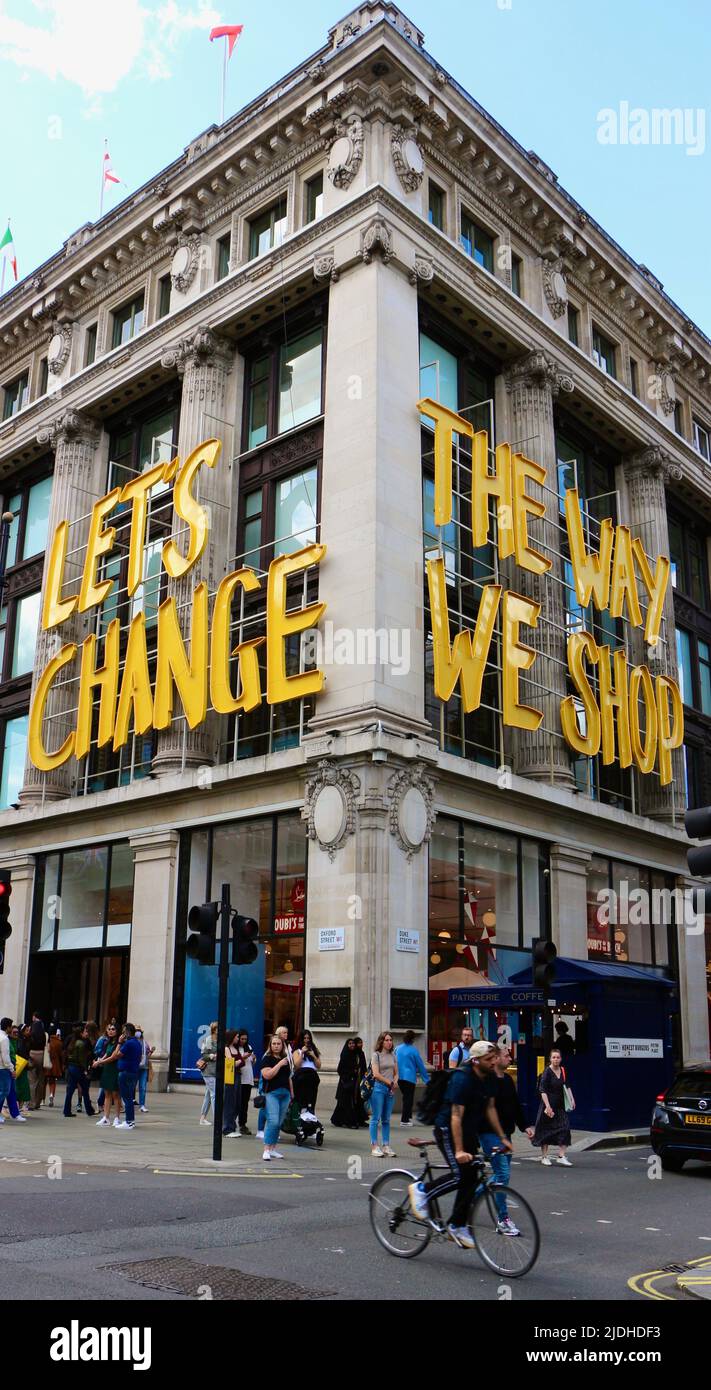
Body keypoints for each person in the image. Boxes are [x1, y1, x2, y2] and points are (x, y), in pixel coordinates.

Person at [408, 1041, 512, 1248]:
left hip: (469, 1130)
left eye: (495, 1058)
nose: (494, 1062)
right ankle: (422, 1190)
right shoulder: (462, 1079)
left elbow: (490, 1108)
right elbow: (456, 1116)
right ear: (476, 1061)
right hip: (447, 1128)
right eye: (488, 1059)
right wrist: (459, 1151)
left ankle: (456, 1225)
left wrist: (503, 1137)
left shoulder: (489, 1078)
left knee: (472, 1178)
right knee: (459, 1174)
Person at [477, 1043, 535, 1236]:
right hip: (489, 1133)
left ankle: (472, 1196)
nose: (510, 1058)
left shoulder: (509, 1080)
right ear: (497, 1059)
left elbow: (515, 1106)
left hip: (506, 1134)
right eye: (506, 1055)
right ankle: (502, 1219)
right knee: (503, 1174)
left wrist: (525, 1126)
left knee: (501, 1174)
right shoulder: (488, 1080)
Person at [532, 1047, 575, 1166]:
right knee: (546, 1130)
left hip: (560, 1105)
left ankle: (561, 1156)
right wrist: (548, 1106)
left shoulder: (563, 1070)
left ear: (561, 1059)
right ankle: (544, 1157)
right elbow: (542, 1090)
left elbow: (567, 1086)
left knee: (565, 1128)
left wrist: (572, 1099)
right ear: (550, 1059)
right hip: (548, 1106)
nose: (556, 1059)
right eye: (554, 1057)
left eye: (558, 1057)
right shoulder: (547, 1072)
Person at [260, 1034, 293, 1161]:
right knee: (272, 1121)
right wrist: (279, 1064)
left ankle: (273, 1149)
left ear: (282, 1045)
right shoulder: (267, 1058)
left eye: (278, 1044)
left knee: (279, 1123)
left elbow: (289, 1078)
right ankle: (266, 1149)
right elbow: (267, 1075)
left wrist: (292, 1094)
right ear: (270, 1045)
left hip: (285, 1094)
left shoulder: (286, 1058)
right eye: (273, 1044)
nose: (276, 1046)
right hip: (272, 1093)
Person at [369, 1031, 398, 1158]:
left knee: (386, 1119)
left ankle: (386, 1145)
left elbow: (396, 1072)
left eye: (390, 1040)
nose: (389, 1042)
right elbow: (376, 1074)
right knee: (376, 1118)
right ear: (381, 1041)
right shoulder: (376, 1055)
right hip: (378, 1088)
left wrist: (395, 1082)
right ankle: (374, 1146)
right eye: (386, 1040)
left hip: (390, 1090)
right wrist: (390, 1083)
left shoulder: (393, 1055)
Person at [395, 1030, 429, 1126]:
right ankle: (404, 1120)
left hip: (399, 1078)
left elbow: (394, 1061)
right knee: (408, 1099)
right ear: (413, 1039)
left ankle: (407, 1117)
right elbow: (420, 1066)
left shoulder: (397, 1048)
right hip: (409, 1078)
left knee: (406, 1097)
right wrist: (426, 1080)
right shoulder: (413, 1050)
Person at [91, 1022, 122, 1127]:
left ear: (117, 1031)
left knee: (115, 1094)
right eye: (109, 1029)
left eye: (113, 1029)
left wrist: (99, 1062)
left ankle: (117, 1118)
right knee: (107, 1093)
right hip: (107, 1069)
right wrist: (99, 1061)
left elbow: (113, 1057)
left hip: (115, 1069)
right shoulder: (108, 1042)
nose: (110, 1031)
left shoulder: (119, 1043)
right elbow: (106, 1054)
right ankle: (106, 1117)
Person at [63, 1026, 96, 1118]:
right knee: (85, 1089)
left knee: (70, 1090)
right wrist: (85, 1070)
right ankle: (89, 1110)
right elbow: (82, 1059)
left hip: (71, 1067)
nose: (87, 1033)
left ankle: (67, 1110)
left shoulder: (73, 1042)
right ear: (81, 1033)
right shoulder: (81, 1044)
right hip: (78, 1068)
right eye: (85, 1032)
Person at [115, 1023, 142, 1130]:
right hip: (134, 1072)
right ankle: (131, 1121)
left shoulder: (128, 1043)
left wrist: (119, 1042)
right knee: (130, 1097)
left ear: (126, 1031)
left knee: (127, 1098)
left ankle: (129, 1121)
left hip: (125, 1072)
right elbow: (140, 1058)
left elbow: (117, 1054)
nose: (122, 1033)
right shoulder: (137, 1043)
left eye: (123, 1031)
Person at [331, 1038, 361, 1129]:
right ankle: (350, 1122)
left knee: (342, 1103)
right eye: (350, 1043)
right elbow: (340, 1069)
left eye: (353, 1043)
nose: (352, 1045)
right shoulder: (345, 1055)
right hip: (345, 1083)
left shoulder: (355, 1055)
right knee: (347, 1103)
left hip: (352, 1083)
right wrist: (351, 1073)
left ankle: (336, 1120)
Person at [293, 1030, 321, 1116]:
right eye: (304, 1038)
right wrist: (302, 1053)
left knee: (311, 1099)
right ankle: (301, 1117)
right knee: (301, 1099)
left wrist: (313, 1055)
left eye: (308, 1038)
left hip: (312, 1077)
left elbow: (318, 1065)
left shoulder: (314, 1050)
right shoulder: (297, 1051)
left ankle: (310, 1116)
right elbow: (297, 1065)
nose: (306, 1040)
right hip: (301, 1077)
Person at [222, 1029, 243, 1138]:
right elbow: (230, 1063)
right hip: (230, 1076)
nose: (238, 1039)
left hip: (237, 1075)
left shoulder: (235, 1048)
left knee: (236, 1102)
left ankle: (232, 1125)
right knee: (229, 1101)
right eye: (237, 1036)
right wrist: (237, 1062)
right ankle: (227, 1128)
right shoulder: (226, 1048)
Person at [236, 1030, 257, 1134]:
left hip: (248, 1078)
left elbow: (252, 1063)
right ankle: (231, 1122)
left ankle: (242, 1124)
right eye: (242, 1039)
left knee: (244, 1103)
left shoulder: (249, 1047)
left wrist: (253, 1058)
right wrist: (243, 1057)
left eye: (245, 1039)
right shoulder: (234, 1048)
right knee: (237, 1102)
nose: (243, 1041)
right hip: (239, 1078)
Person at [198, 1022, 218, 1125]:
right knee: (214, 1094)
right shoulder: (209, 1039)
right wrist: (213, 1056)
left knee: (208, 1095)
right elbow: (204, 1055)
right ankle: (217, 1119)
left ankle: (202, 1118)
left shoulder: (219, 1040)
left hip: (215, 1071)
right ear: (214, 1029)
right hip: (208, 1071)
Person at [27, 1011, 47, 1110]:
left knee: (32, 1080)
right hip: (42, 1054)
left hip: (32, 1053)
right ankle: (38, 1102)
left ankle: (31, 1103)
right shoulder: (44, 1031)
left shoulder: (32, 1029)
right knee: (41, 1080)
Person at [0, 1017, 15, 1124]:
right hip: (3, 1069)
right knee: (4, 1091)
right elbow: (5, 1057)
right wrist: (11, 1068)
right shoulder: (4, 1039)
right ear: (8, 1027)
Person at [136, 1028, 155, 1113]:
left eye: (139, 1031)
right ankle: (127, 1103)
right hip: (134, 1067)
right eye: (137, 1030)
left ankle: (142, 1105)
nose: (138, 1032)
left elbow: (148, 1055)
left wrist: (151, 1051)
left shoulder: (145, 1043)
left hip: (144, 1067)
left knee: (143, 1087)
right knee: (131, 1086)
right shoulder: (132, 1042)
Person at [45, 1025, 64, 1107]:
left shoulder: (47, 1041)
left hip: (46, 1063)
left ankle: (42, 1099)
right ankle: (52, 1094)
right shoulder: (59, 1042)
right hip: (55, 1064)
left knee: (47, 1081)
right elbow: (61, 1055)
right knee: (53, 1081)